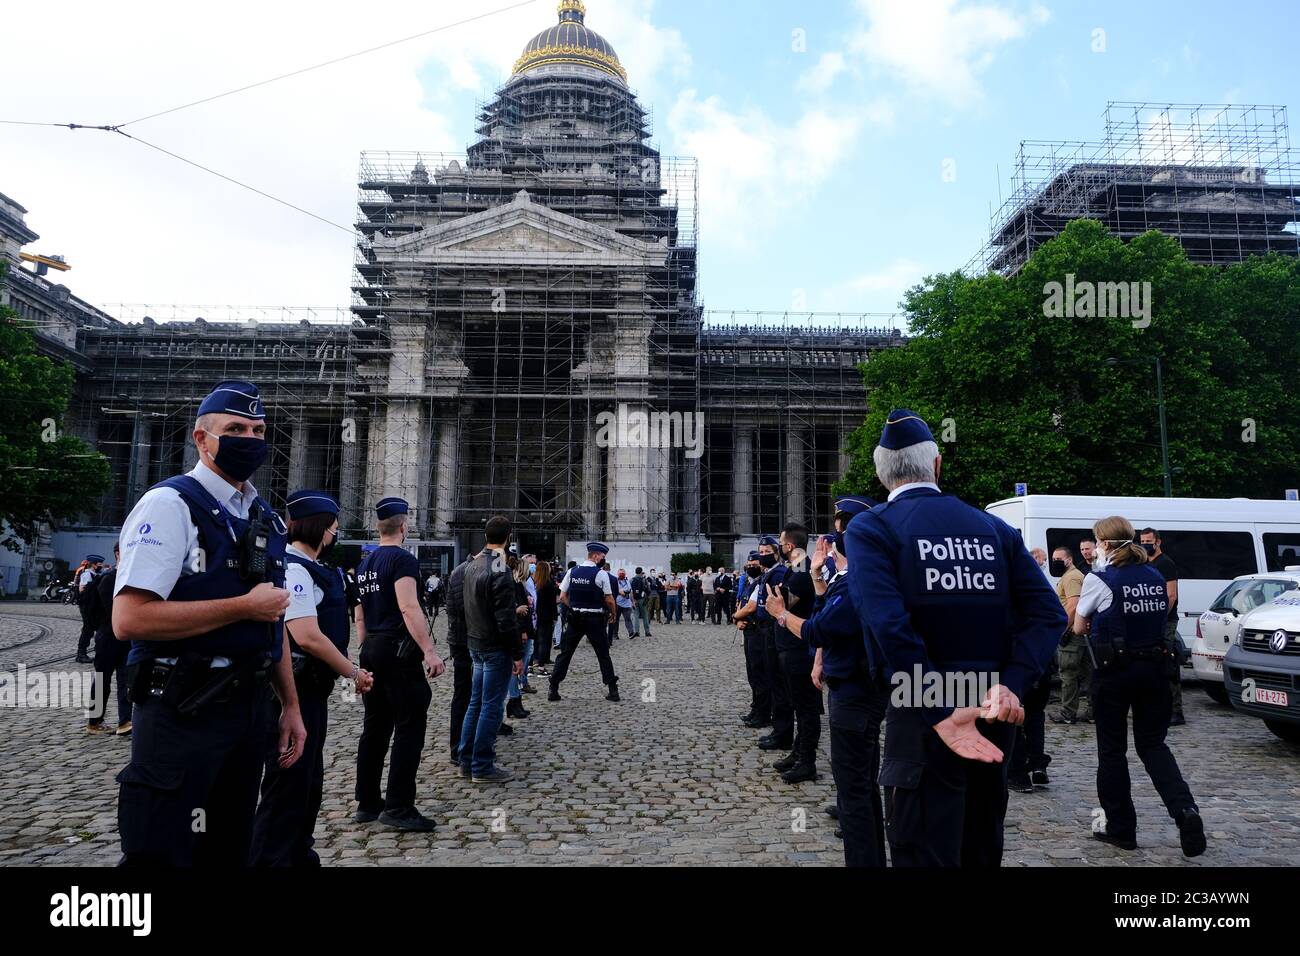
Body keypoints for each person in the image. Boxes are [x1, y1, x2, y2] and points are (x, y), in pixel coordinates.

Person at [846, 408, 1064, 867]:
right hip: (993, 703)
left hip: (922, 708)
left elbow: (888, 624)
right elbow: (1047, 613)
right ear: (937, 465)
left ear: (881, 475)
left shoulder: (872, 527)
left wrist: (940, 706)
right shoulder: (994, 528)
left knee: (923, 846)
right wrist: (1013, 683)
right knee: (980, 842)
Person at [112, 379, 304, 867]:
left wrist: (291, 707)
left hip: (247, 709)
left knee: (227, 852)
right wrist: (242, 607)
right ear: (201, 438)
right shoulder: (170, 504)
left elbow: (273, 620)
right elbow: (129, 618)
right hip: (181, 707)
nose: (251, 440)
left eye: (259, 431)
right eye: (236, 428)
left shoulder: (265, 517)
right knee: (164, 853)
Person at [251, 490, 374, 865]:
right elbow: (306, 634)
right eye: (333, 528)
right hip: (293, 689)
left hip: (312, 690)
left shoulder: (312, 567)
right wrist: (352, 670)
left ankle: (298, 852)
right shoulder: (294, 569)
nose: (335, 536)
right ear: (321, 529)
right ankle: (271, 858)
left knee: (308, 780)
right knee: (287, 781)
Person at [1073, 516, 1205, 857]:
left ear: (1103, 544)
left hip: (1115, 671)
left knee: (1112, 751)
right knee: (1154, 746)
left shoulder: (1100, 578)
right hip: (1155, 669)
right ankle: (1185, 810)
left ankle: (1122, 828)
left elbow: (1078, 626)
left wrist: (1092, 623)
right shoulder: (1153, 574)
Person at [766, 496, 887, 865]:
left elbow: (821, 629)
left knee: (855, 786)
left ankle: (864, 852)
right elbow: (828, 619)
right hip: (847, 680)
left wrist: (782, 615)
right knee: (859, 780)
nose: (829, 544)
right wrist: (818, 578)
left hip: (855, 688)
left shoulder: (857, 583)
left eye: (836, 536)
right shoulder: (848, 580)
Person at [354, 496, 446, 832]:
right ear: (404, 526)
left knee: (375, 726)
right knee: (409, 725)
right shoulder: (402, 560)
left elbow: (359, 613)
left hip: (373, 647)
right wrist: (430, 651)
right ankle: (399, 806)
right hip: (397, 649)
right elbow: (409, 608)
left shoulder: (364, 563)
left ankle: (367, 802)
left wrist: (366, 650)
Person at [459, 516, 525, 783]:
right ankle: (483, 766)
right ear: (508, 537)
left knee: (475, 704)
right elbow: (505, 617)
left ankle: (465, 760)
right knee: (492, 707)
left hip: (475, 643)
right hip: (495, 646)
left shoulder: (472, 564)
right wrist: (517, 653)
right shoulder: (500, 567)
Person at [768, 523, 821, 783]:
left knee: (806, 708)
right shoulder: (795, 569)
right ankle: (798, 752)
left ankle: (806, 760)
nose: (779, 546)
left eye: (780, 541)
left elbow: (783, 605)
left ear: (789, 546)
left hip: (799, 649)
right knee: (799, 705)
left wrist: (774, 605)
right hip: (790, 647)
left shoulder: (800, 571)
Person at [734, 536, 794, 755]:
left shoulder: (777, 574)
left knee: (775, 683)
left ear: (777, 552)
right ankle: (776, 727)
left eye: (766, 550)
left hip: (770, 630)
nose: (761, 555)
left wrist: (738, 616)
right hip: (760, 628)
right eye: (760, 551)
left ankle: (781, 730)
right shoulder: (765, 575)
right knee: (763, 677)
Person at [551, 542, 620, 702]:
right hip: (595, 620)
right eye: (603, 557)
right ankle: (612, 689)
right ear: (596, 556)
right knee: (603, 655)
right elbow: (609, 599)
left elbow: (562, 597)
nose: (603, 560)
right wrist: (613, 613)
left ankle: (553, 687)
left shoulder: (572, 572)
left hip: (575, 619)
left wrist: (573, 608)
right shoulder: (600, 574)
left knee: (565, 654)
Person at [1140, 528, 1186, 726]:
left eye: (1149, 541)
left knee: (1167, 661)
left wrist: (1158, 618)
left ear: (1158, 542)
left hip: (1165, 620)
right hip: (1149, 620)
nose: (1145, 544)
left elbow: (1171, 595)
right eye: (1142, 540)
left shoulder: (1165, 564)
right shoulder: (1144, 563)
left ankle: (1176, 710)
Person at [85, 544, 131, 736]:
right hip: (107, 636)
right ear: (117, 554)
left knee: (125, 679)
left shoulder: (129, 578)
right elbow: (111, 611)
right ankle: (94, 722)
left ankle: (125, 721)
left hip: (125, 636)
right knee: (102, 680)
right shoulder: (108, 579)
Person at [1051, 545, 1093, 725]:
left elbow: (1073, 605)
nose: (1055, 563)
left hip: (1072, 633)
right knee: (1088, 673)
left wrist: (1061, 628)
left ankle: (1068, 713)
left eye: (1058, 560)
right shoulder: (1071, 576)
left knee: (1068, 673)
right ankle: (1092, 711)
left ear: (1068, 560)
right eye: (1053, 560)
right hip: (1078, 631)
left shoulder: (1072, 577)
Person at [735, 551, 770, 729]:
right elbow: (743, 603)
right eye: (749, 564)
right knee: (752, 674)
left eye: (754, 563)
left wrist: (735, 616)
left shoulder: (762, 580)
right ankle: (756, 708)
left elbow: (751, 606)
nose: (751, 567)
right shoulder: (750, 582)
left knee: (760, 673)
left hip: (758, 632)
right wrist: (739, 619)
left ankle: (763, 713)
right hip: (748, 630)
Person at [444, 555, 472, 764]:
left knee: (462, 694)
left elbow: (451, 609)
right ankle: (464, 747)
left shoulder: (457, 570)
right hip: (475, 641)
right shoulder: (478, 571)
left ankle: (458, 746)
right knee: (474, 696)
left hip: (459, 640)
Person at [506, 552, 536, 721]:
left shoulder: (521, 585)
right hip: (521, 631)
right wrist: (524, 631)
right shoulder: (516, 585)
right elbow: (521, 609)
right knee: (517, 668)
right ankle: (514, 701)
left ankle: (515, 701)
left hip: (525, 629)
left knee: (519, 669)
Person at [75, 554, 105, 663]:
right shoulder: (87, 574)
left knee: (92, 628)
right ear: (93, 564)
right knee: (88, 629)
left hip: (94, 605)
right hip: (87, 606)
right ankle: (81, 654)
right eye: (99, 563)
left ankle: (91, 652)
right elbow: (82, 590)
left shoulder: (96, 574)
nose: (101, 565)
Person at [533, 560, 559, 674]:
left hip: (536, 616)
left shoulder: (535, 583)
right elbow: (552, 603)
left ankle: (532, 664)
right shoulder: (548, 584)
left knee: (536, 641)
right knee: (544, 641)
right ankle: (541, 666)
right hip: (546, 616)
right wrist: (555, 616)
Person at [611, 569, 636, 640]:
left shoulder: (627, 581)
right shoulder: (615, 581)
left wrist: (633, 602)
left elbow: (631, 592)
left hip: (627, 604)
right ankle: (615, 634)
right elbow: (614, 590)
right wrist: (621, 592)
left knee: (628, 619)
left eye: (623, 573)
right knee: (616, 620)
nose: (622, 574)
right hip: (618, 604)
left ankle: (631, 633)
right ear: (618, 574)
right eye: (620, 573)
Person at [631, 567, 652, 637]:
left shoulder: (632, 580)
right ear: (641, 572)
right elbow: (648, 590)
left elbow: (630, 591)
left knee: (635, 616)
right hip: (643, 600)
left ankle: (637, 631)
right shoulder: (644, 579)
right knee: (645, 616)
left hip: (635, 600)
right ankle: (647, 632)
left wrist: (632, 600)